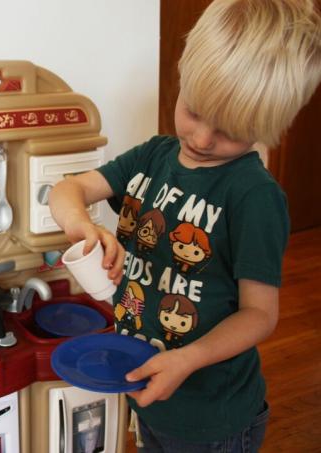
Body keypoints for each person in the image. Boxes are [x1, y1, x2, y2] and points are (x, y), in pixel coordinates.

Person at [48, 1, 321, 451]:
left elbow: (260, 314)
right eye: (194, 111)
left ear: (269, 128)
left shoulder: (254, 197)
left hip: (213, 416)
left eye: (230, 130)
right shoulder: (153, 157)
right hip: (148, 391)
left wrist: (187, 359)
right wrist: (83, 226)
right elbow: (66, 191)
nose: (201, 140)